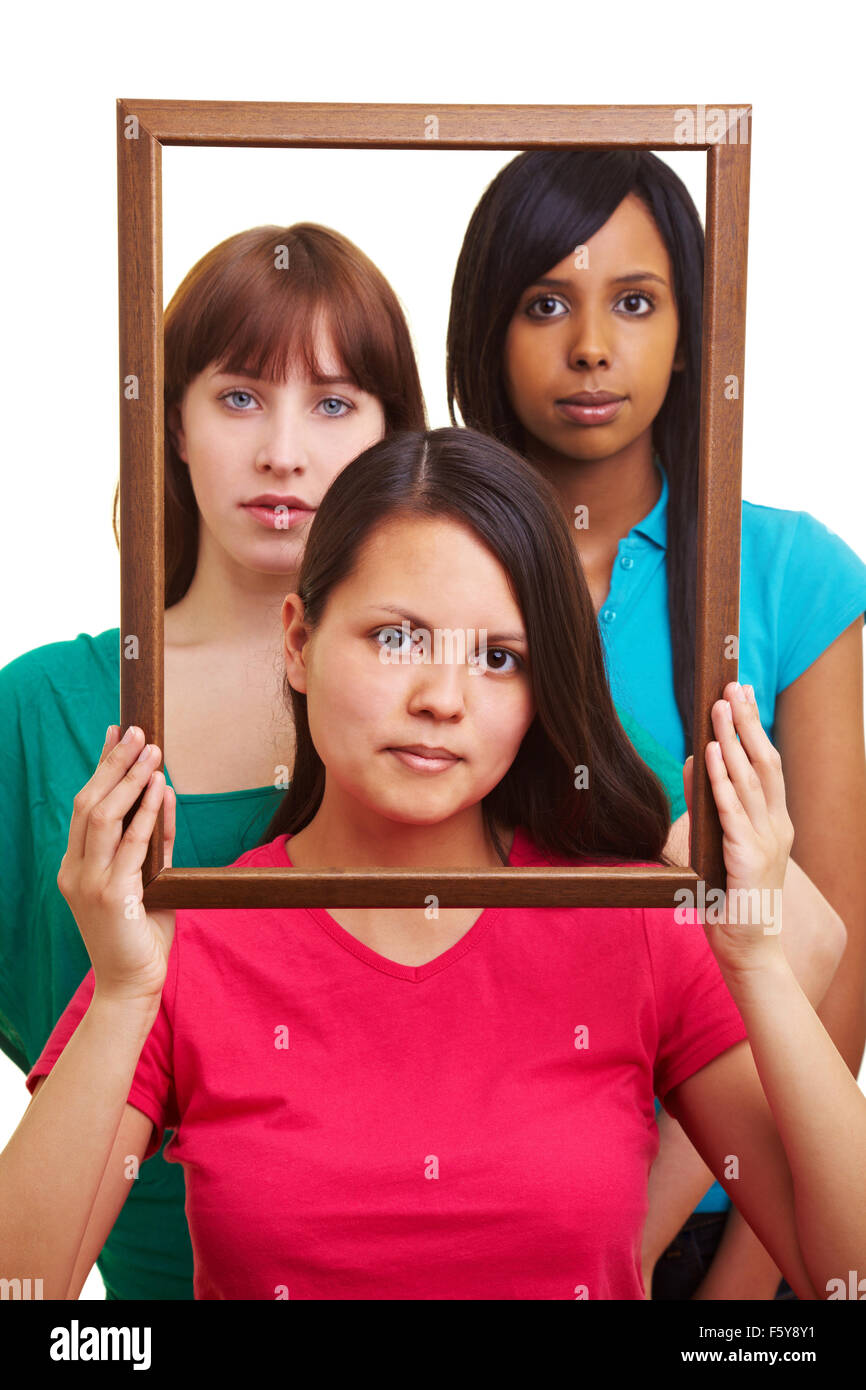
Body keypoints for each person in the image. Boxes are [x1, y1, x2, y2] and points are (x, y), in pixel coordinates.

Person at [3, 426, 865, 1301]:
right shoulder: (186, 942)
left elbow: (846, 1277)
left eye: (499, 659)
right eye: (398, 639)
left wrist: (755, 958)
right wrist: (121, 998)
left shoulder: (631, 922)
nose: (441, 700)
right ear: (298, 641)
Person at [445, 149, 866, 1298]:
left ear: (690, 328)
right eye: (545, 303)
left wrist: (735, 1280)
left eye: (633, 302)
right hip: (486, 1189)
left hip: (728, 1212)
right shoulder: (429, 566)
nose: (591, 345)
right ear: (485, 326)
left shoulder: (792, 573)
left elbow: (827, 956)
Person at [0, 220, 426, 1299]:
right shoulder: (41, 706)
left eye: (332, 404)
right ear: (173, 426)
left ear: (392, 438)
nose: (283, 450)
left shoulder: (455, 698)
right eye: (239, 396)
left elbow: (747, 943)